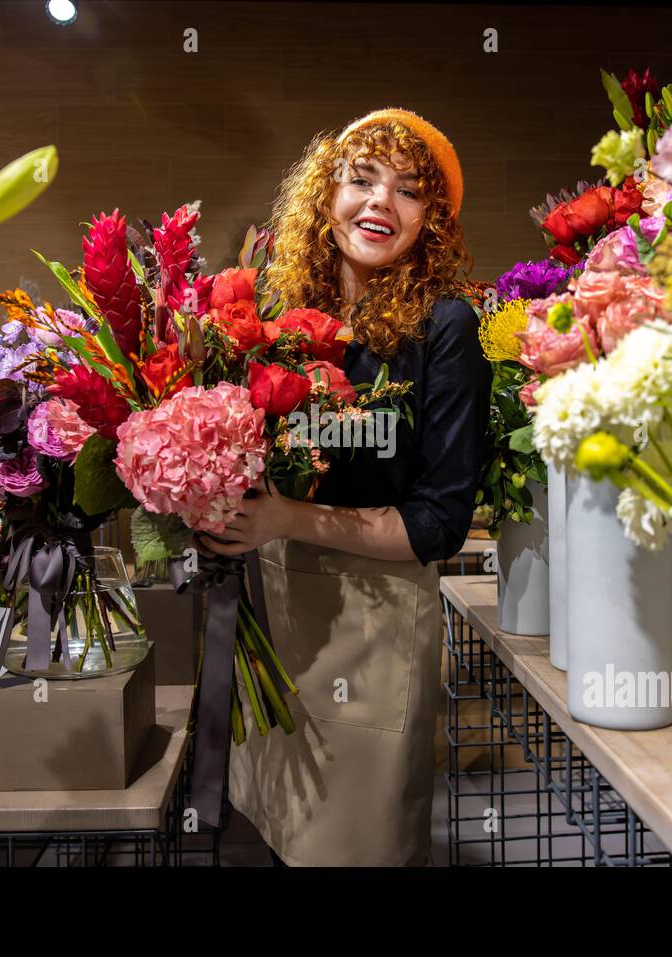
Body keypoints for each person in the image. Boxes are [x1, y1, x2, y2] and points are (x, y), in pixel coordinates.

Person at [195, 108, 491, 866]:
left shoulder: (446, 327)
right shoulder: (276, 318)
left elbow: (439, 524)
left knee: (356, 845)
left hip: (375, 627)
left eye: (407, 191)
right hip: (279, 611)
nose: (379, 204)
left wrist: (287, 515)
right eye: (362, 180)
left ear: (433, 220)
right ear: (325, 194)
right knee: (283, 832)